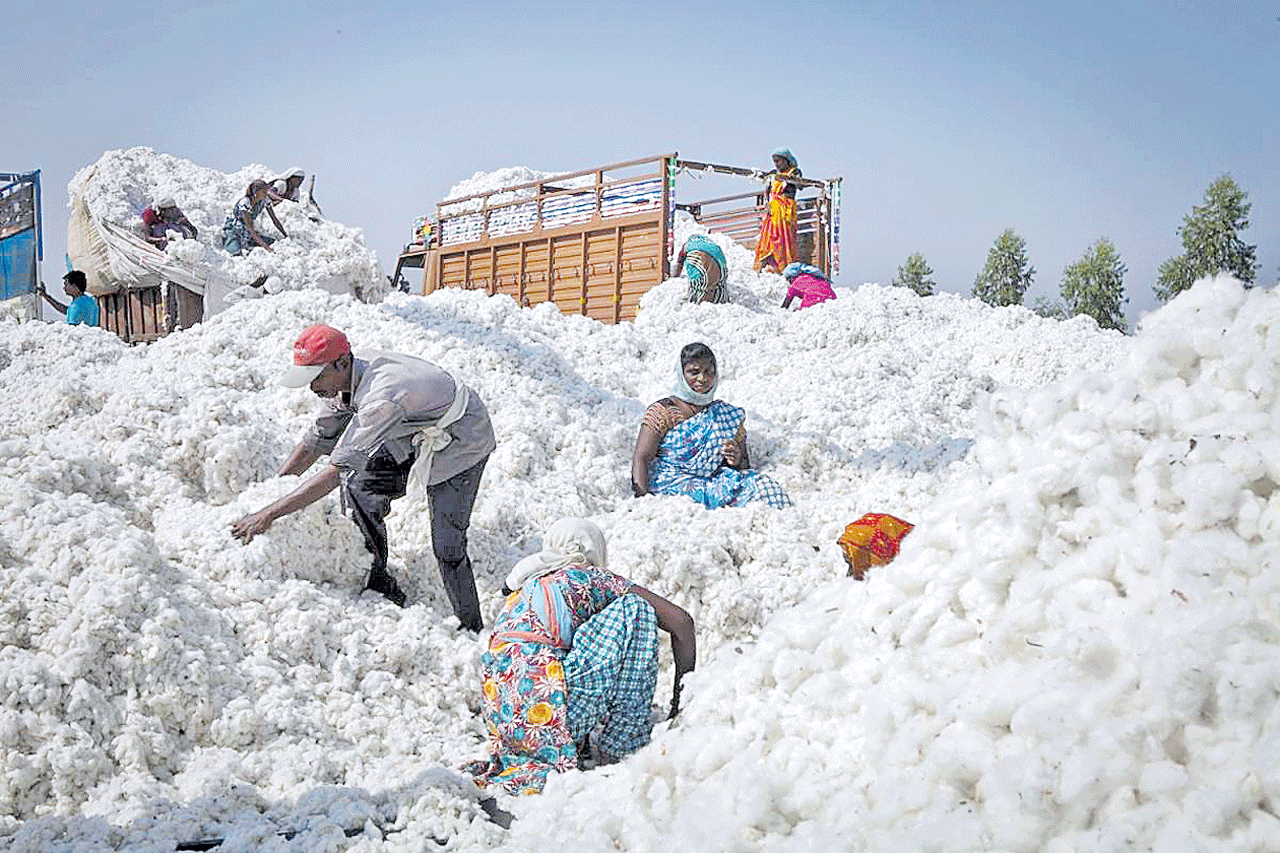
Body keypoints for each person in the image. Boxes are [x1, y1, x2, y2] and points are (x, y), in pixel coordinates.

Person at [230, 325, 497, 625]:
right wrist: (271, 491)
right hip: (411, 427)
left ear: (342, 363)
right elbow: (317, 440)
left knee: (447, 545)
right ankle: (378, 580)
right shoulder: (341, 380)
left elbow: (337, 469)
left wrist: (269, 514)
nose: (311, 387)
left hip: (462, 438)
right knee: (360, 487)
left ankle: (470, 625)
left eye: (316, 377)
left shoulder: (380, 396)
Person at [470, 518, 696, 795]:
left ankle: (565, 744)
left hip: (505, 727)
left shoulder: (522, 589)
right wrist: (682, 705)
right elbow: (682, 622)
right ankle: (622, 746)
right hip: (547, 719)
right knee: (636, 609)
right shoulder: (591, 577)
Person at [631, 342, 790, 509]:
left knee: (766, 488)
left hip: (716, 484)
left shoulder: (727, 416)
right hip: (674, 488)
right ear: (681, 373)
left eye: (709, 372)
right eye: (694, 372)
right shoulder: (663, 411)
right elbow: (641, 458)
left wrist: (735, 458)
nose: (702, 378)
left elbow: (742, 466)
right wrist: (642, 502)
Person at [753, 148, 802, 273]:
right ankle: (769, 262)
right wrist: (767, 203)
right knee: (770, 236)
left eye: (778, 161)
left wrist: (792, 178)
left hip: (785, 211)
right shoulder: (773, 174)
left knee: (784, 236)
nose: (776, 164)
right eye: (774, 161)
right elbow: (767, 190)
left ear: (786, 160)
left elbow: (800, 185)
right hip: (773, 210)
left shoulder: (794, 172)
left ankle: (784, 263)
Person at [221, 180, 287, 256]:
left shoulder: (264, 201)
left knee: (272, 242)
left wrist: (285, 235)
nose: (266, 194)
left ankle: (248, 244)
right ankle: (229, 241)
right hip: (234, 230)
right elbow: (251, 228)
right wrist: (266, 247)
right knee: (236, 251)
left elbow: (274, 219)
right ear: (256, 192)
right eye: (263, 192)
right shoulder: (245, 203)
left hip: (246, 232)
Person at [674, 234, 729, 304]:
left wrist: (675, 276)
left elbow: (680, 261)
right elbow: (723, 262)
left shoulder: (688, 244)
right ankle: (719, 301)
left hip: (697, 258)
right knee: (717, 285)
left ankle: (697, 304)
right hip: (718, 263)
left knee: (697, 285)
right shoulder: (712, 245)